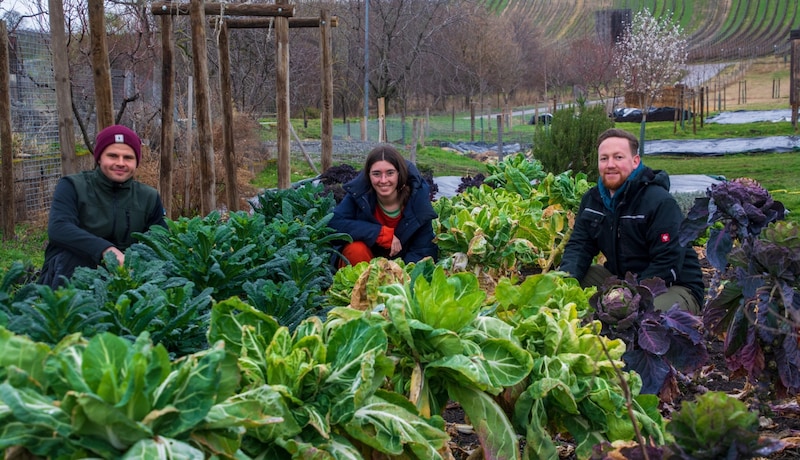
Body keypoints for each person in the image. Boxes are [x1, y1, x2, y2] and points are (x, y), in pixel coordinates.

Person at [559, 128, 704, 313]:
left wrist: (631, 296)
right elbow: (579, 247)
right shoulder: (592, 200)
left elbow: (668, 262)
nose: (610, 164)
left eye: (618, 157)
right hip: (620, 279)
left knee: (645, 318)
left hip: (672, 286)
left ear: (635, 161)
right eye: (604, 158)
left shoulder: (659, 202)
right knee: (566, 284)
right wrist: (565, 282)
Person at [38, 125, 166, 288]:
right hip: (73, 270)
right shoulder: (72, 186)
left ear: (136, 162)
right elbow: (59, 228)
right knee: (71, 257)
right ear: (99, 158)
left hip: (126, 273)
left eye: (128, 157)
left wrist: (133, 263)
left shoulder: (149, 196)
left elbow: (160, 240)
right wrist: (106, 250)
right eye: (112, 156)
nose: (120, 163)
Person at [329, 145, 438, 266]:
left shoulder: (418, 201)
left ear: (399, 174)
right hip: (365, 267)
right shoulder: (358, 196)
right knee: (355, 250)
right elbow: (333, 225)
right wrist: (380, 234)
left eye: (390, 173)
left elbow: (423, 251)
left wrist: (398, 277)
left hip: (401, 269)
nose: (383, 180)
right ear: (368, 176)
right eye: (376, 174)